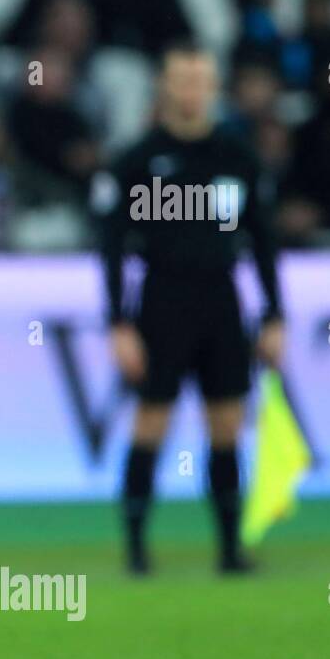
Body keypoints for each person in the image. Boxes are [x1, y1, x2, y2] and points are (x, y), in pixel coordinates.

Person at [93, 41, 284, 576]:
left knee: (226, 424)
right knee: (151, 421)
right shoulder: (137, 159)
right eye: (182, 79)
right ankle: (136, 552)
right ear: (166, 86)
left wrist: (274, 313)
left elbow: (263, 241)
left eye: (201, 80)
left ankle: (229, 551)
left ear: (213, 87)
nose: (192, 90)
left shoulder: (237, 157)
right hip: (160, 301)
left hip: (222, 300)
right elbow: (110, 248)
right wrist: (118, 322)